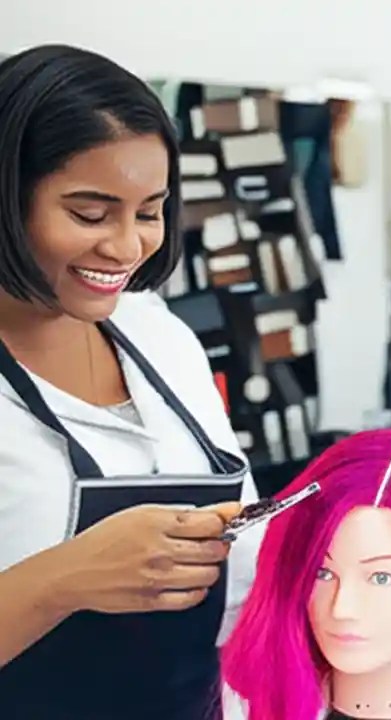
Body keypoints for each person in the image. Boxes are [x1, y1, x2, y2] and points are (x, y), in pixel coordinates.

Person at [0, 45, 262, 719]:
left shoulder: (160, 336)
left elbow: (243, 578)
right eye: (90, 214)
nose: (125, 247)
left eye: (149, 212)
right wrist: (64, 579)